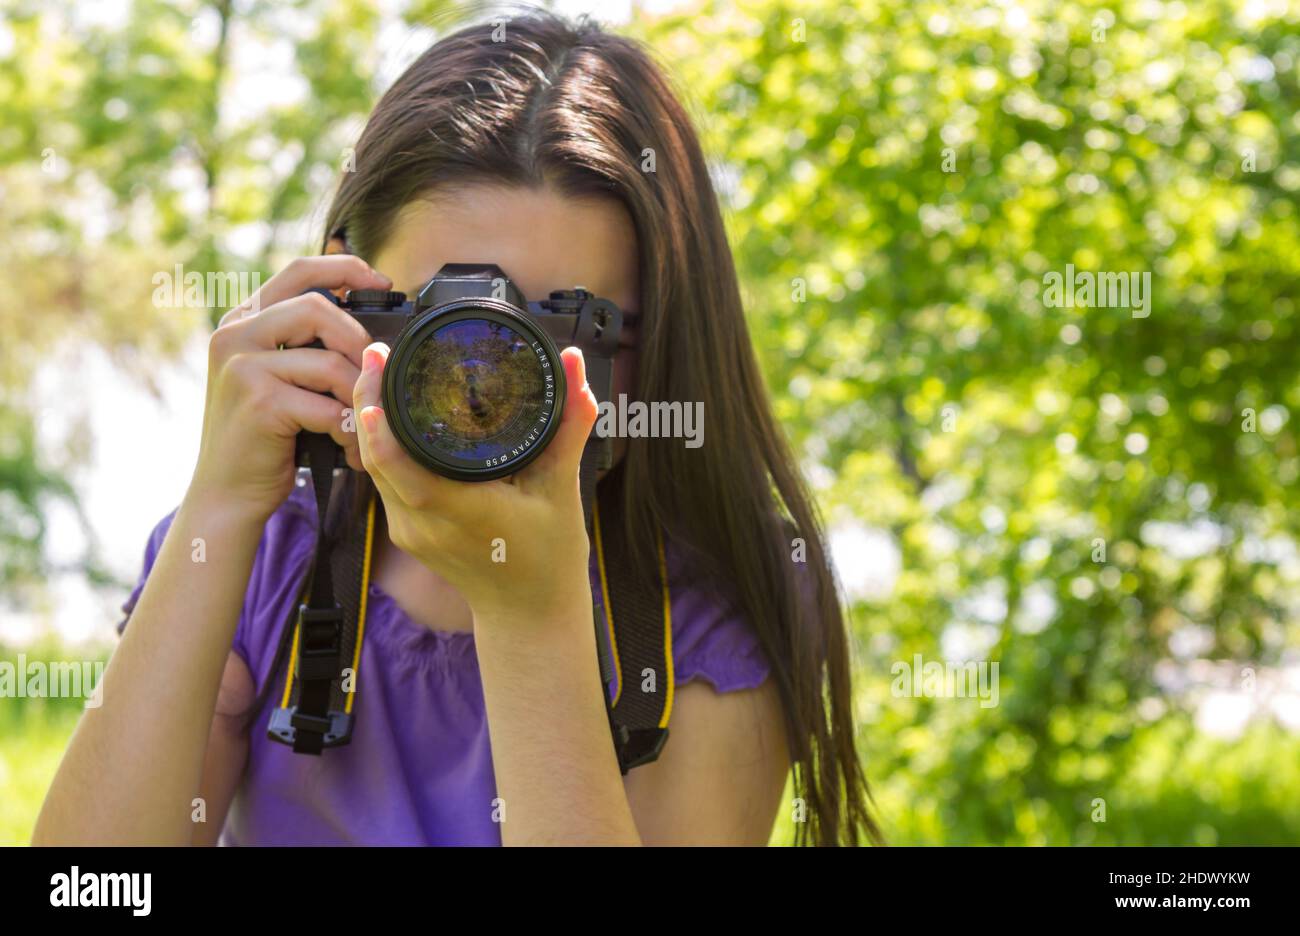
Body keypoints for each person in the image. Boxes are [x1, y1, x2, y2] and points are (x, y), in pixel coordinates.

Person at [34, 9, 877, 846]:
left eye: (554, 330)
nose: (482, 381)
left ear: (651, 344)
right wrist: (218, 504)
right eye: (445, 320)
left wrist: (529, 612)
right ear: (340, 294)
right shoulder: (267, 553)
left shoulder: (708, 605)